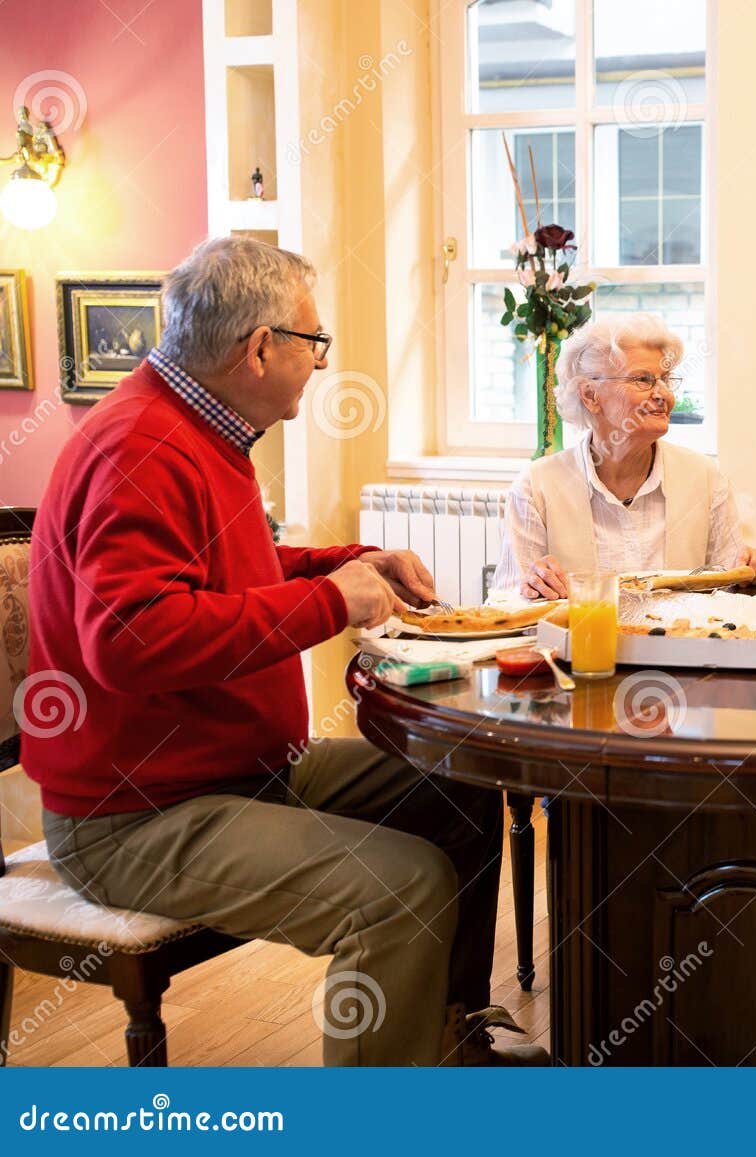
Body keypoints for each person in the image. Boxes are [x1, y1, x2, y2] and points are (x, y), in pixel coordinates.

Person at [25, 236, 541, 1066]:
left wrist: (349, 563)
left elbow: (230, 574)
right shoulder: (143, 448)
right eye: (315, 342)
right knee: (396, 890)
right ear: (261, 347)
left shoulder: (196, 427)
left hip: (235, 770)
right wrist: (328, 603)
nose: (322, 362)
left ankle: (446, 1043)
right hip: (137, 815)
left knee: (461, 790)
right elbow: (131, 639)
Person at [493, 313, 756, 598]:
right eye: (643, 380)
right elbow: (505, 604)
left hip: (679, 641)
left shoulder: (706, 478)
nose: (664, 394)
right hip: (583, 642)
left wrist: (749, 577)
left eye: (666, 379)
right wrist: (530, 588)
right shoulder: (536, 487)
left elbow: (730, 590)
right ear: (590, 395)